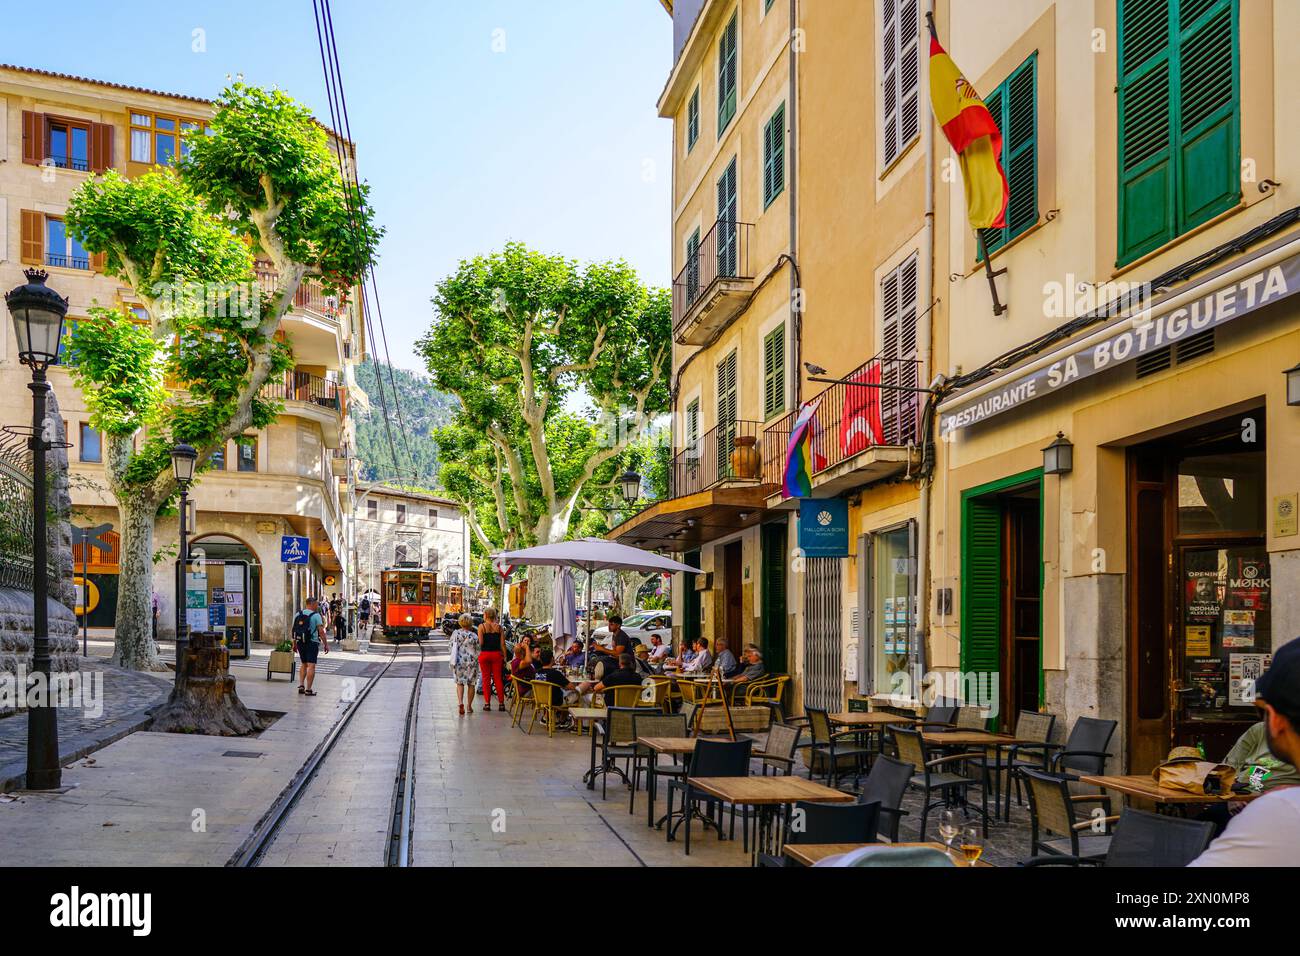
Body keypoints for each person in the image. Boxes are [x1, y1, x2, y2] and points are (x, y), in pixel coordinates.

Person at [1191, 639, 1300, 866]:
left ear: (1276, 719)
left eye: (1262, 712)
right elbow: (1229, 767)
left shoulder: (1283, 810)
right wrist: (1234, 797)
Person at [292, 595, 329, 697]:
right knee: (311, 665)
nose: (317, 606)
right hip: (312, 642)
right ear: (312, 604)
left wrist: (294, 644)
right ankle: (308, 689)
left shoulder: (297, 614)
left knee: (303, 664)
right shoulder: (316, 616)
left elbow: (294, 631)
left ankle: (301, 686)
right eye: (316, 604)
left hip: (300, 642)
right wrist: (326, 644)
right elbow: (321, 632)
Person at [478, 607, 508, 712]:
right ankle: (501, 704)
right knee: (498, 679)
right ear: (494, 615)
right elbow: (503, 644)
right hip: (496, 655)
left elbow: (481, 643)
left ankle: (487, 704)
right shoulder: (499, 627)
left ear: (485, 615)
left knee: (486, 679)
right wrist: (505, 657)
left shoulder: (481, 627)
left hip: (485, 654)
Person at [451, 613, 480, 716]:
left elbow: (451, 647)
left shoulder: (456, 634)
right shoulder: (474, 635)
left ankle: (460, 703)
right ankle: (469, 706)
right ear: (471, 623)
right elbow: (478, 650)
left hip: (459, 662)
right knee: (471, 684)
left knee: (460, 683)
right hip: (471, 662)